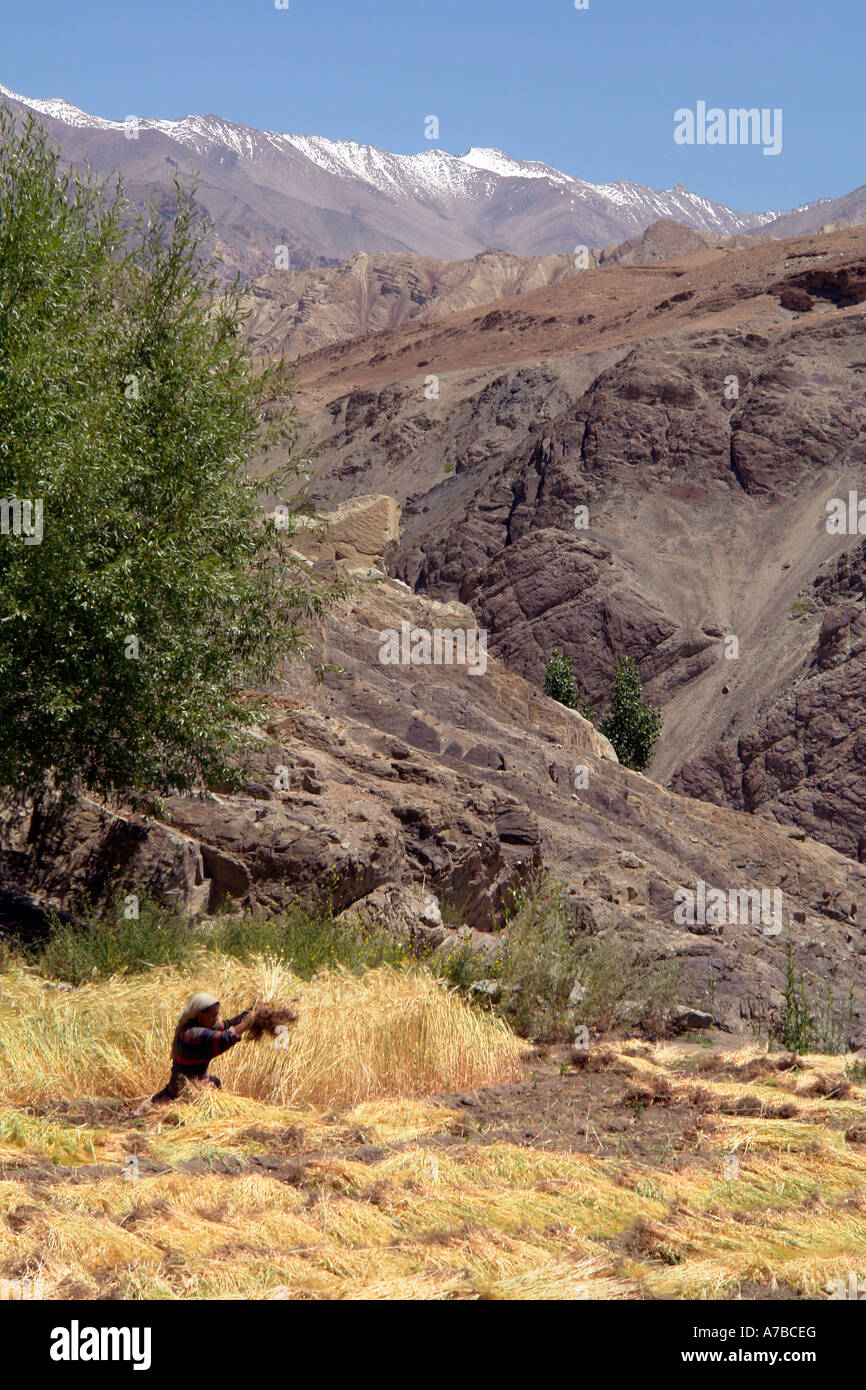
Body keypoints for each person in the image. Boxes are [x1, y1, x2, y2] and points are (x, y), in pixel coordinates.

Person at [148, 992, 260, 1105]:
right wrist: (248, 1023)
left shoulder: (195, 1025)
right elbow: (225, 1037)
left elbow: (228, 1024)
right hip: (187, 1090)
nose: (216, 1019)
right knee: (214, 1084)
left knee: (215, 1081)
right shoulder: (193, 1035)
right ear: (200, 1014)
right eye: (213, 1015)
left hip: (186, 1086)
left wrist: (252, 1011)